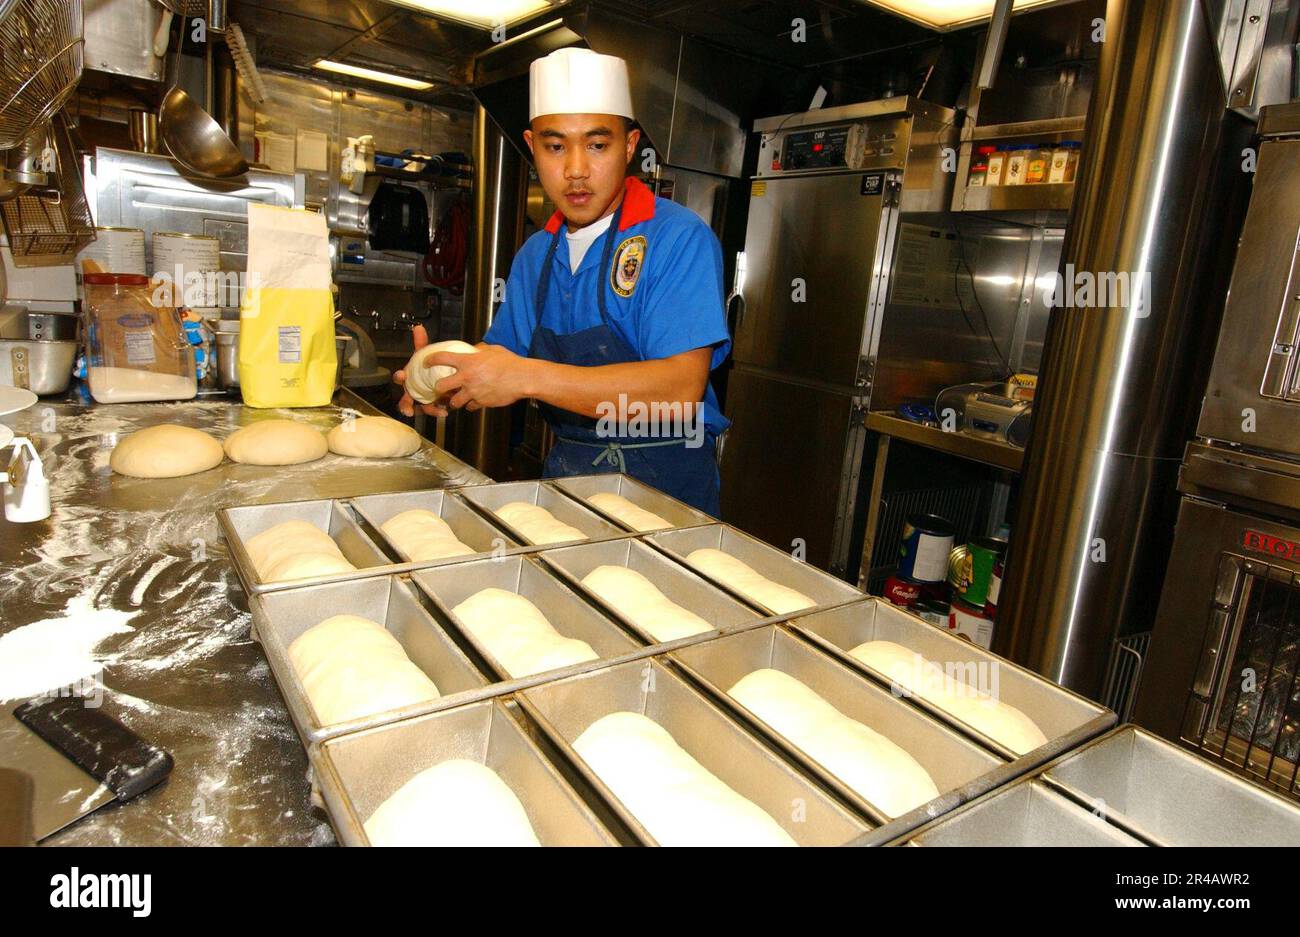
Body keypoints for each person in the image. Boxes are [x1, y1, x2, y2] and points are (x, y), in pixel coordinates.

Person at [396, 47, 731, 515]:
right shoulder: (537, 254)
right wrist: (444, 378)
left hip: (666, 485)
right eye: (555, 147)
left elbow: (678, 390)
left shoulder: (676, 237)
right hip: (570, 475)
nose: (575, 169)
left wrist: (527, 377)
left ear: (630, 146)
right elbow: (501, 362)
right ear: (532, 146)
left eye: (597, 144)